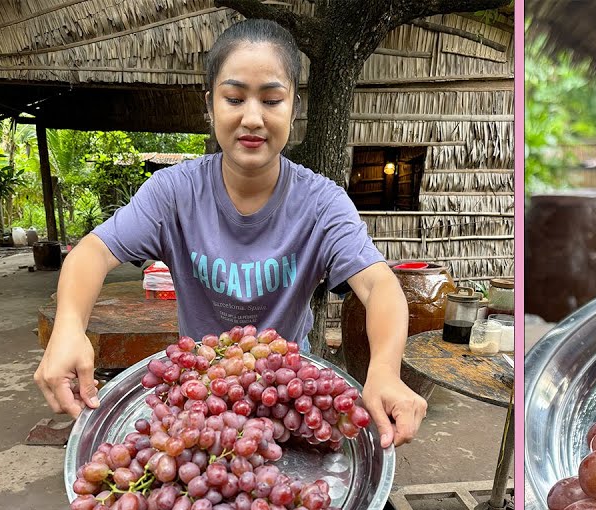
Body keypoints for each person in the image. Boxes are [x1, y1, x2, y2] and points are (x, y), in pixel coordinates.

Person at [33, 19, 426, 448]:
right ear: (211, 105)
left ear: (293, 107)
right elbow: (92, 251)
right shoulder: (174, 194)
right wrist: (69, 327)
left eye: (272, 100)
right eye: (234, 98)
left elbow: (377, 282)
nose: (252, 118)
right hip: (201, 393)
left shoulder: (321, 203)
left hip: (290, 399)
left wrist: (385, 371)